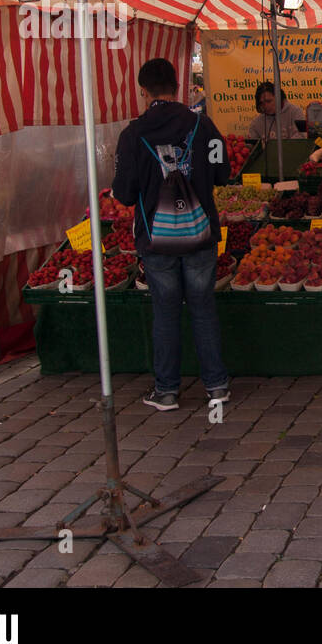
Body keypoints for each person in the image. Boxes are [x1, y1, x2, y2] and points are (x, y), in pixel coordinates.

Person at [113, 58, 231, 410]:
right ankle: (217, 386)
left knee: (165, 312)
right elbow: (223, 173)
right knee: (203, 307)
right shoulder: (203, 125)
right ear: (178, 86)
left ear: (143, 91)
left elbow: (123, 193)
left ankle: (166, 391)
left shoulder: (132, 134)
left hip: (156, 240)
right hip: (200, 234)